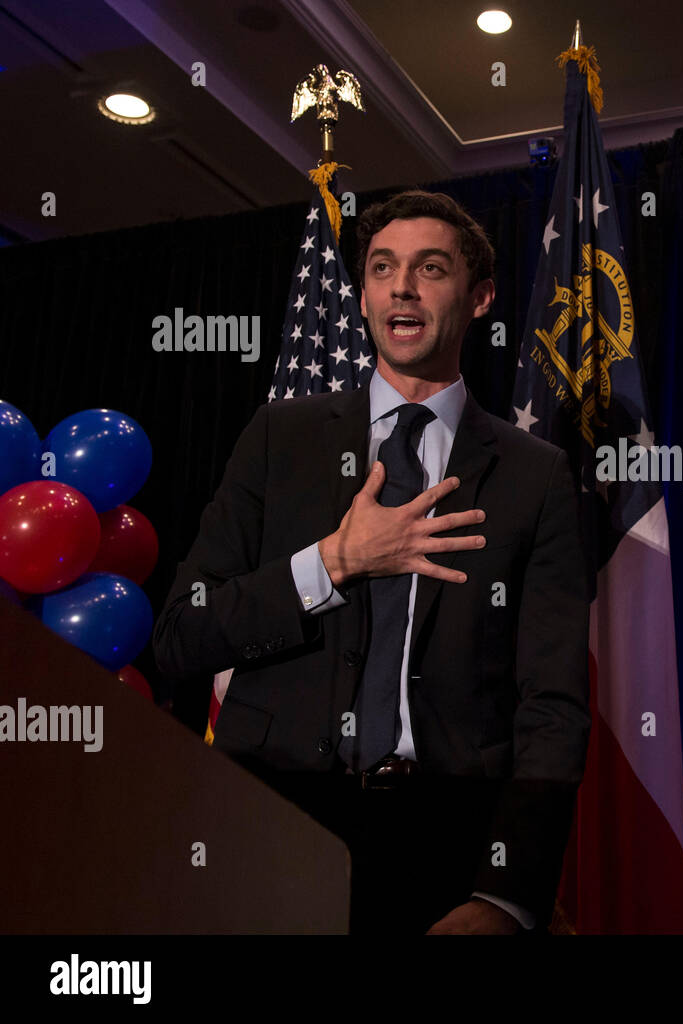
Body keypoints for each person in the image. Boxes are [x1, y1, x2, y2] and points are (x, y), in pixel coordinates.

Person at [153, 190, 590, 935]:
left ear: (480, 296)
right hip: (271, 827)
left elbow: (551, 705)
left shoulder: (536, 475)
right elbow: (181, 640)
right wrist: (332, 561)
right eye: (383, 268)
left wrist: (506, 896)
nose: (402, 287)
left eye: (430, 269)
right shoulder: (278, 438)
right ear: (363, 296)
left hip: (446, 844)